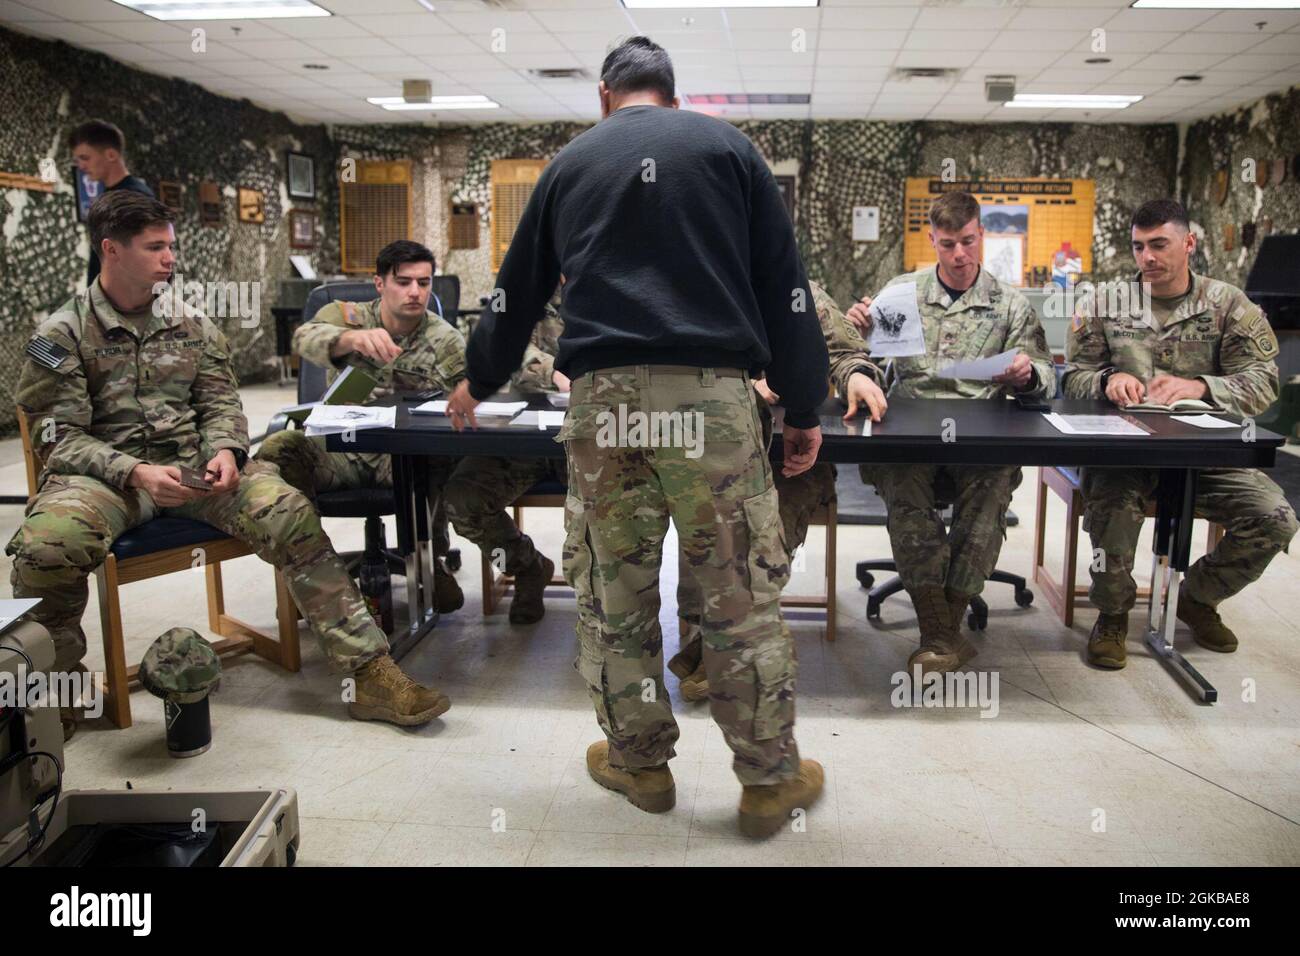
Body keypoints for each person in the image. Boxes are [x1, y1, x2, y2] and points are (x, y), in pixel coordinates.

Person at [445, 35, 830, 838]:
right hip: (714, 402)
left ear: (604, 96)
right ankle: (767, 780)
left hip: (605, 402)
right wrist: (801, 409)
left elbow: (512, 297)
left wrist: (478, 380)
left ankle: (640, 764)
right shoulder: (732, 152)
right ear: (672, 93)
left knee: (613, 596)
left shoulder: (570, 165)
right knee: (740, 596)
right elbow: (787, 292)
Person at [6, 191, 449, 730]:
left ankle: (369, 672)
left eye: (172, 245)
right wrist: (136, 472)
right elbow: (59, 438)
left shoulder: (192, 324)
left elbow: (221, 404)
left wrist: (225, 450)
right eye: (156, 247)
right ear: (111, 250)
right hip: (105, 478)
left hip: (195, 468)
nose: (171, 257)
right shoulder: (63, 334)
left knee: (286, 508)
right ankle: (60, 688)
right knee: (47, 545)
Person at [1062, 198, 1296, 667]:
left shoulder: (1228, 304)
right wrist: (1107, 380)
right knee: (1111, 510)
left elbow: (1263, 382)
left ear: (1188, 243)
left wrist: (1201, 385)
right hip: (1124, 454)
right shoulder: (1106, 304)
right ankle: (1112, 613)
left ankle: (1196, 598)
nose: (1147, 257)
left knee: (1276, 519)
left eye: (1159, 245)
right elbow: (1071, 378)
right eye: (1138, 247)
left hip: (1207, 455)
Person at [842, 191, 1055, 676]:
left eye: (968, 241)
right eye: (947, 244)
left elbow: (1046, 372)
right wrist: (859, 331)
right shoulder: (902, 293)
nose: (959, 255)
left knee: (992, 489)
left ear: (982, 235)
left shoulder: (1010, 305)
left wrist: (1027, 373)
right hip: (909, 434)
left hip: (981, 435)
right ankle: (943, 636)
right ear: (931, 241)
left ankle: (939, 632)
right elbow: (864, 363)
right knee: (904, 487)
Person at [256, 239, 466, 612]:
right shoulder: (346, 315)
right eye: (403, 281)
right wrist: (350, 339)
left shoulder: (445, 339)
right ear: (379, 283)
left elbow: (468, 394)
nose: (415, 292)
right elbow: (304, 337)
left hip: (401, 459)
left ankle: (428, 562)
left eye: (424, 282)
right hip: (341, 452)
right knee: (280, 449)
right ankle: (312, 573)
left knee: (441, 454)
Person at [668, 281, 843, 701]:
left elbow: (844, 353)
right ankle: (715, 643)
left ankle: (710, 650)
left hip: (791, 459)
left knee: (766, 535)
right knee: (707, 521)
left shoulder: (804, 294)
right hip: (715, 455)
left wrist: (857, 378)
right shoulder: (698, 285)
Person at [441, 291, 565, 625]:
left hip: (591, 439)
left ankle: (604, 597)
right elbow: (506, 348)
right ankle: (528, 567)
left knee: (615, 504)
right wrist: (554, 374)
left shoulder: (608, 283)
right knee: (464, 499)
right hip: (520, 438)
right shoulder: (523, 289)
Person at [68, 119, 155, 286]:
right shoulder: (108, 197)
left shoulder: (134, 197)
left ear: (111, 155)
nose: (81, 166)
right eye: (78, 160)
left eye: (85, 158)